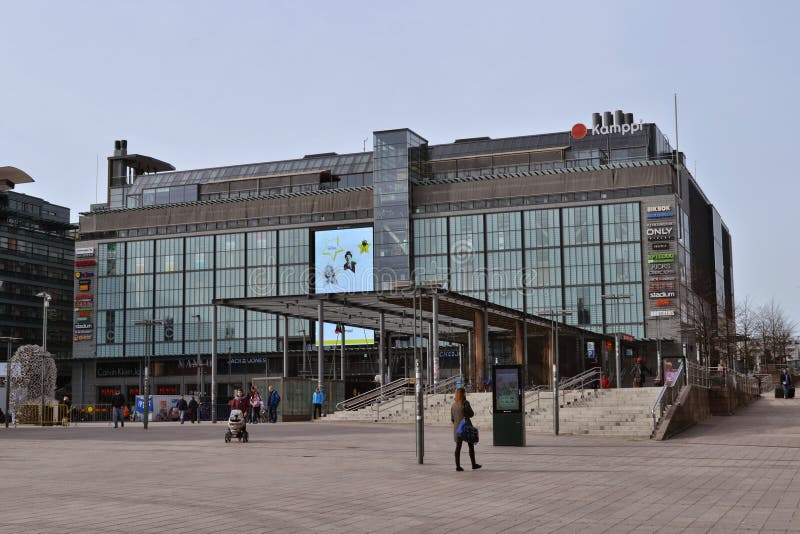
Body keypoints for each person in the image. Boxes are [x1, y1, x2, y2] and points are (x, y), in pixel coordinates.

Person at [451, 387, 480, 472]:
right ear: (463, 394)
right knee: (470, 446)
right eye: (465, 393)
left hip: (457, 429)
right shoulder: (465, 403)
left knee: (458, 447)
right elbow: (471, 414)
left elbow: (452, 419)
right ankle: (473, 464)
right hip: (466, 428)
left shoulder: (453, 405)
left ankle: (458, 466)